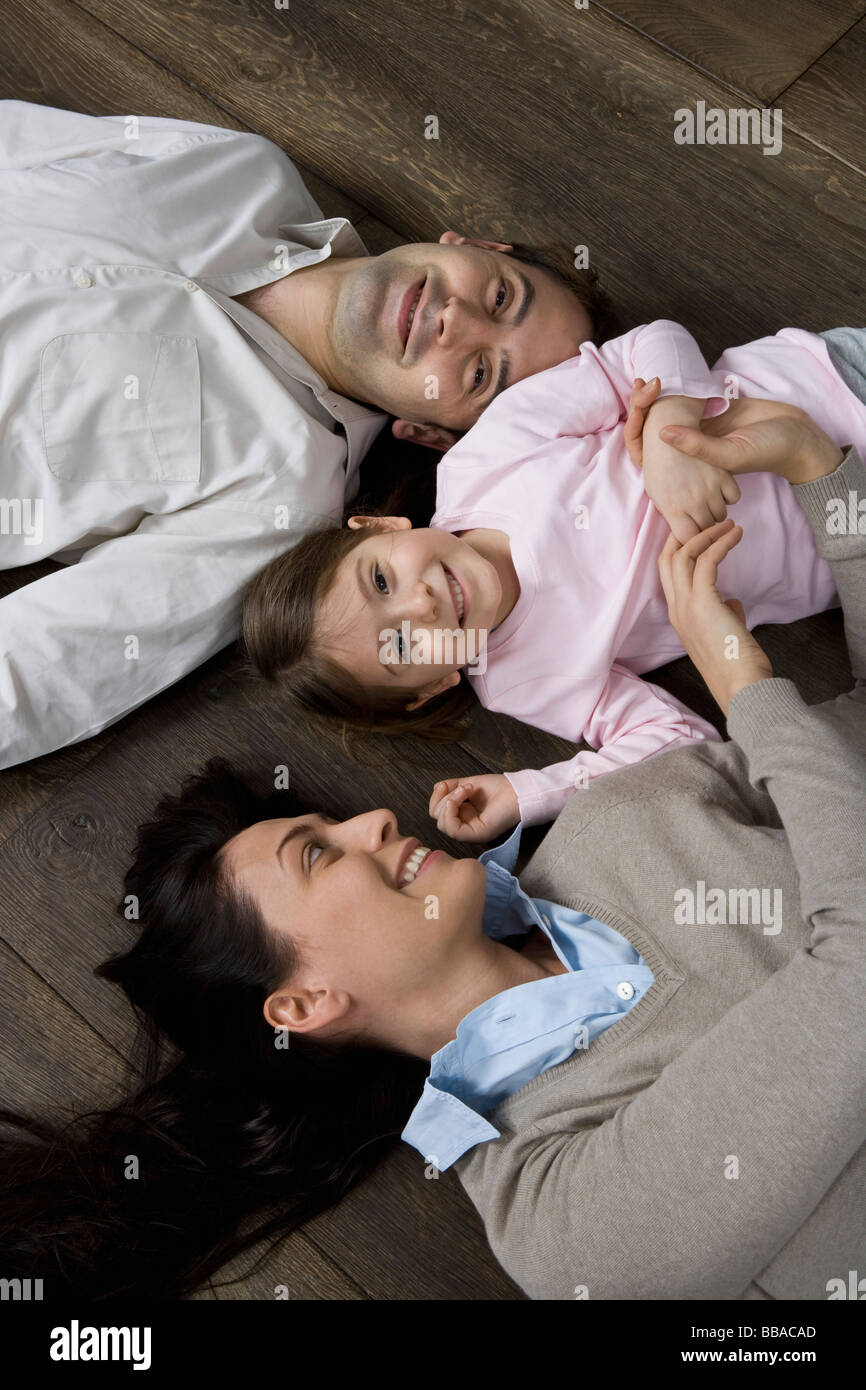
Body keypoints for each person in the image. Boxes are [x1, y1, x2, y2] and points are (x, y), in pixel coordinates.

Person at [2, 408, 863, 1300]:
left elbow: (857, 740)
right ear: (304, 1003)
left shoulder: (614, 821)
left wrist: (824, 475)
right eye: (318, 855)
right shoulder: (556, 1211)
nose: (373, 820)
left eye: (329, 826)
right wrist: (744, 684)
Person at [0, 100, 605, 769]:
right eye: (500, 299)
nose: (455, 321)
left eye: (482, 372)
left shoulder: (276, 504)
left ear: (432, 434)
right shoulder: (239, 166)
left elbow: (42, 673)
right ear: (472, 247)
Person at [241, 321, 866, 841]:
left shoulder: (486, 460)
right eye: (401, 644)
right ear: (433, 684)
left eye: (380, 579)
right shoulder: (523, 681)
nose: (420, 603)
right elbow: (678, 740)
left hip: (828, 386)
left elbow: (656, 342)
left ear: (380, 526)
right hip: (848, 536)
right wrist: (530, 790)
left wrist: (673, 433)